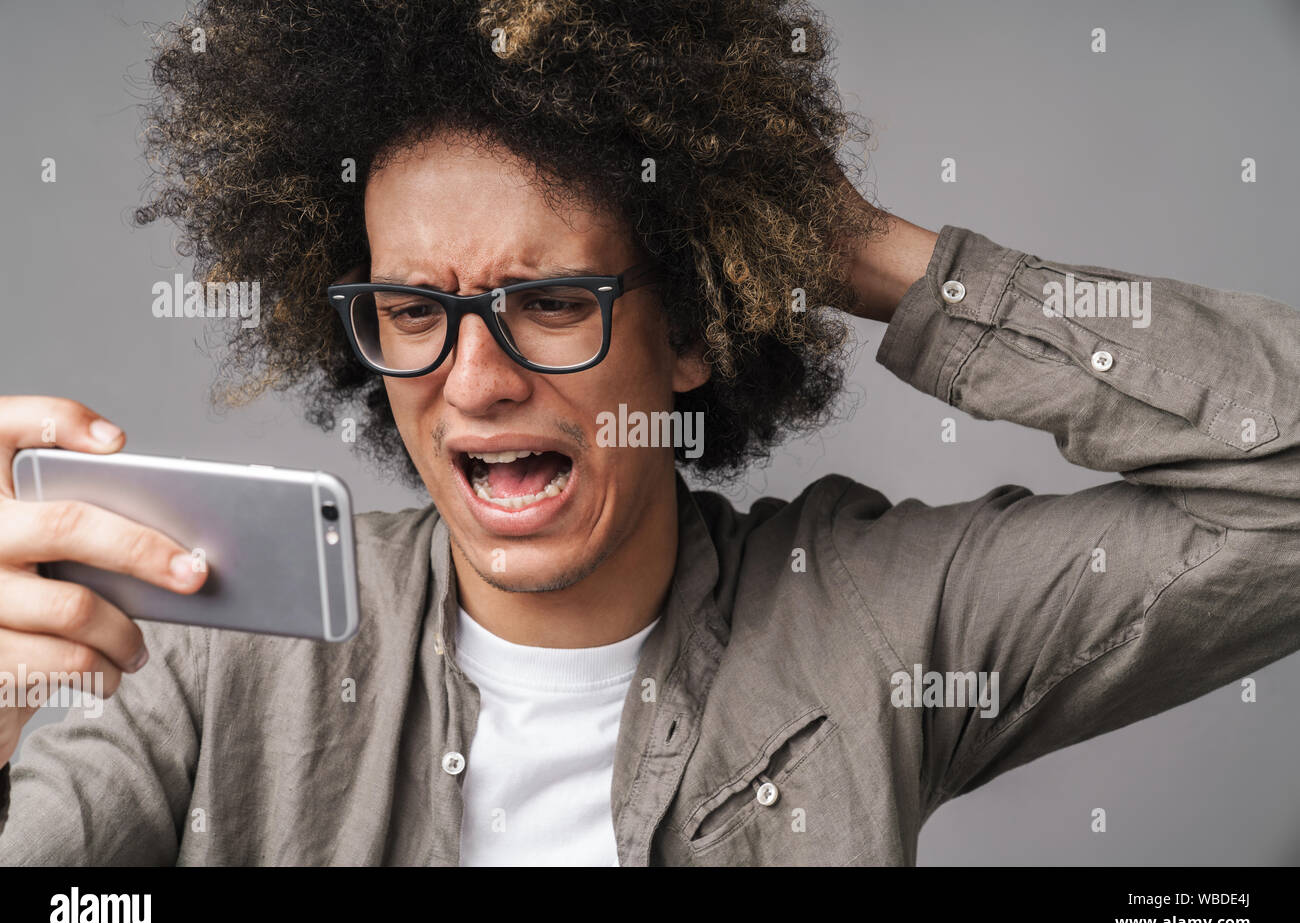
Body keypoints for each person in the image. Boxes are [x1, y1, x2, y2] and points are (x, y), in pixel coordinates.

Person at [1, 0, 1297, 866]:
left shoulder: (880, 624)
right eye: (413, 309)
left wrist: (853, 250)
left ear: (689, 327)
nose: (478, 378)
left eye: (552, 301)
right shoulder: (210, 652)